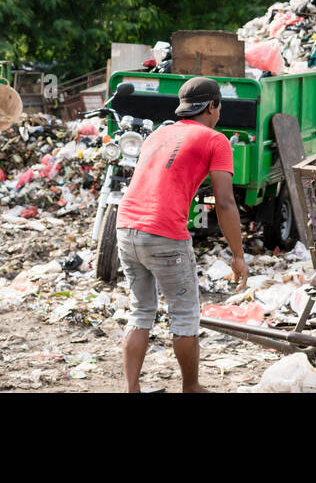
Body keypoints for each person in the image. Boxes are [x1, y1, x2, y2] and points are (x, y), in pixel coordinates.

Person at [115, 76, 248, 393]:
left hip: (125, 226)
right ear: (213, 106)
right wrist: (238, 256)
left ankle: (131, 388)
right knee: (185, 315)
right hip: (164, 234)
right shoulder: (216, 141)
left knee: (141, 311)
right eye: (219, 105)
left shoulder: (157, 134)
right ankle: (191, 387)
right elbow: (225, 202)